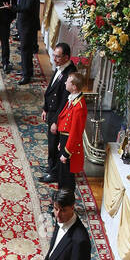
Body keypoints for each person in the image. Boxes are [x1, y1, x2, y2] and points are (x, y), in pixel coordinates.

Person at [40, 42, 76, 183]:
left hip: (58, 115)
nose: (54, 59)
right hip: (52, 111)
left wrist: (56, 121)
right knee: (51, 143)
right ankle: (51, 167)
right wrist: (45, 108)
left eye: (58, 56)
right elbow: (51, 89)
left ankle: (54, 173)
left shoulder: (70, 73)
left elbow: (64, 101)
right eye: (54, 55)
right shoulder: (61, 67)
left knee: (55, 145)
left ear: (66, 57)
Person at [55, 68, 88, 194]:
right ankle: (61, 201)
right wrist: (61, 143)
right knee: (61, 175)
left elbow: (75, 132)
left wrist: (67, 152)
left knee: (67, 179)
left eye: (68, 82)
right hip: (65, 141)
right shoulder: (73, 100)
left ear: (74, 86)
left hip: (70, 146)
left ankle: (66, 204)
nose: (65, 83)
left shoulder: (79, 107)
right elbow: (66, 125)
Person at [15, 0, 42, 85]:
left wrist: (14, 8)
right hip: (22, 22)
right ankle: (27, 70)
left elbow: (27, 7)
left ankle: (27, 75)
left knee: (26, 49)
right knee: (25, 49)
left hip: (28, 24)